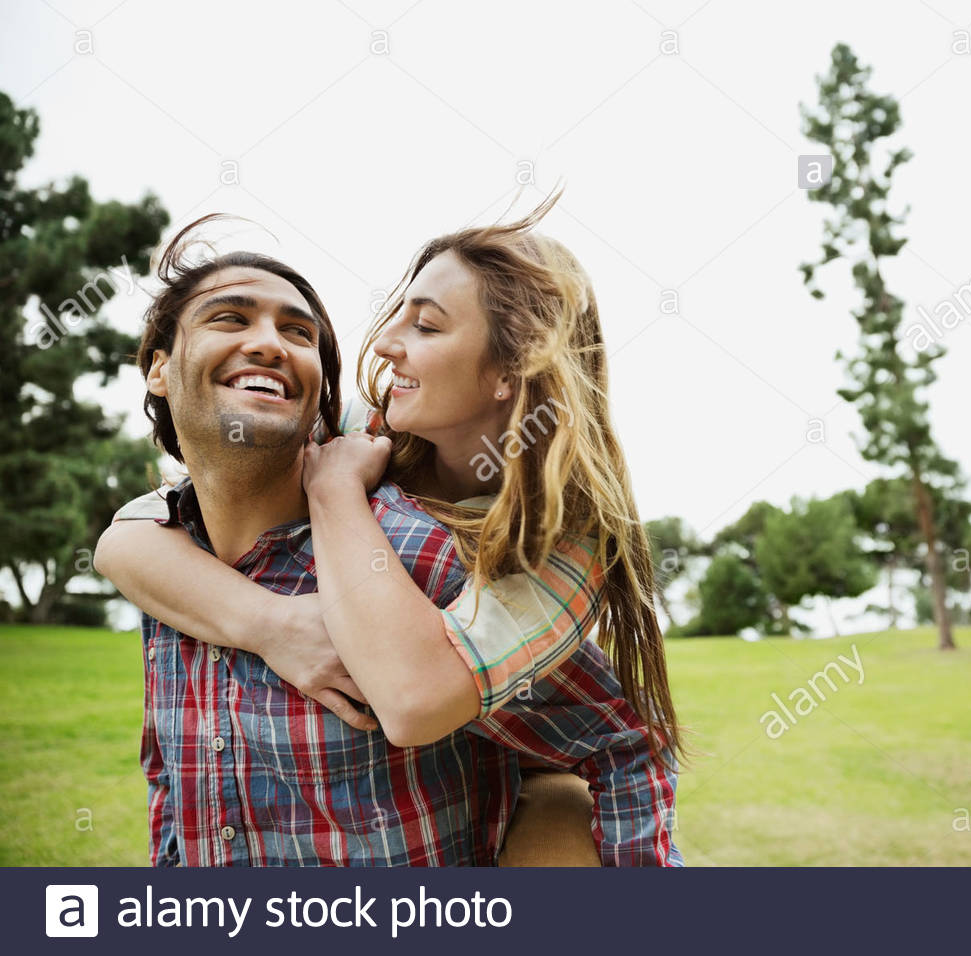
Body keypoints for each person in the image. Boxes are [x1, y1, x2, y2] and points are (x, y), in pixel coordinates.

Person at [95, 204, 683, 865]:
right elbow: (126, 538)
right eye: (230, 318)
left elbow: (424, 699)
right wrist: (270, 623)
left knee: (550, 794)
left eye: (427, 324)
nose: (381, 343)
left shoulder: (536, 548)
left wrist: (335, 491)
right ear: (156, 367)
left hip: (486, 760)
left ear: (506, 374)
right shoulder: (348, 435)